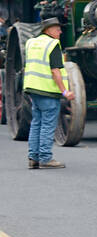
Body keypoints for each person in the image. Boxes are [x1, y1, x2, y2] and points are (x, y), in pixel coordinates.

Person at [23, 11, 72, 169]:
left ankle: (33, 158)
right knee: (47, 125)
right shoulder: (53, 45)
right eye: (57, 29)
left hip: (33, 88)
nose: (60, 32)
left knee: (36, 123)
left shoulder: (32, 42)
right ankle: (45, 158)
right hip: (47, 91)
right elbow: (55, 71)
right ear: (48, 30)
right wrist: (65, 91)